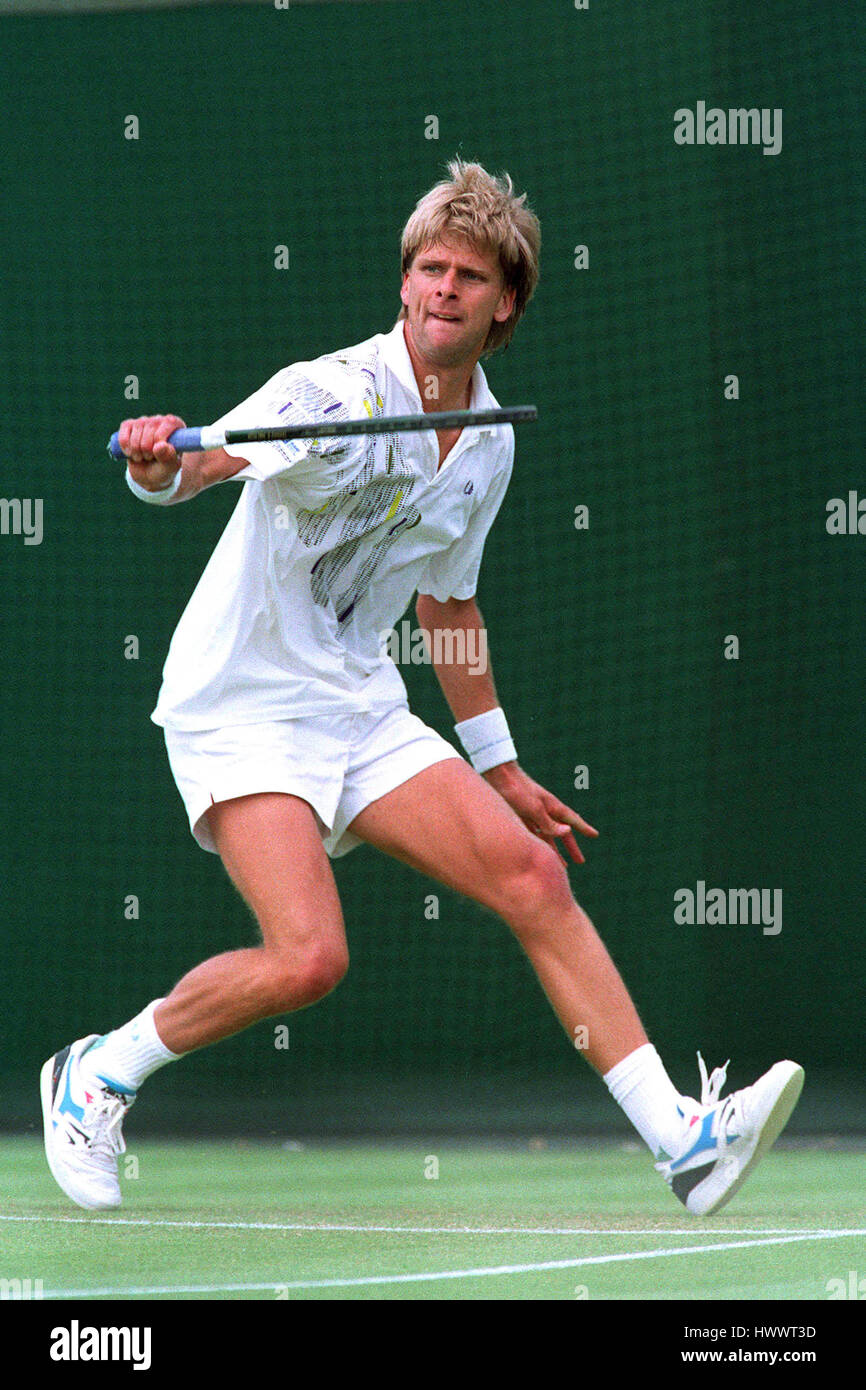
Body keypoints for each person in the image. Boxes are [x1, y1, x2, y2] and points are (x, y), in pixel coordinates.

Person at [42, 159, 803, 1216]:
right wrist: (149, 459)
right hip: (241, 706)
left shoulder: (486, 441)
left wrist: (500, 767)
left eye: (469, 275)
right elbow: (191, 469)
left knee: (531, 875)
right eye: (429, 268)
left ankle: (680, 1140)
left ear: (505, 305)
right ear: (403, 285)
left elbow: (447, 608)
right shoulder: (326, 393)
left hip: (356, 701)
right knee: (308, 959)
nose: (444, 286)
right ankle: (98, 1068)